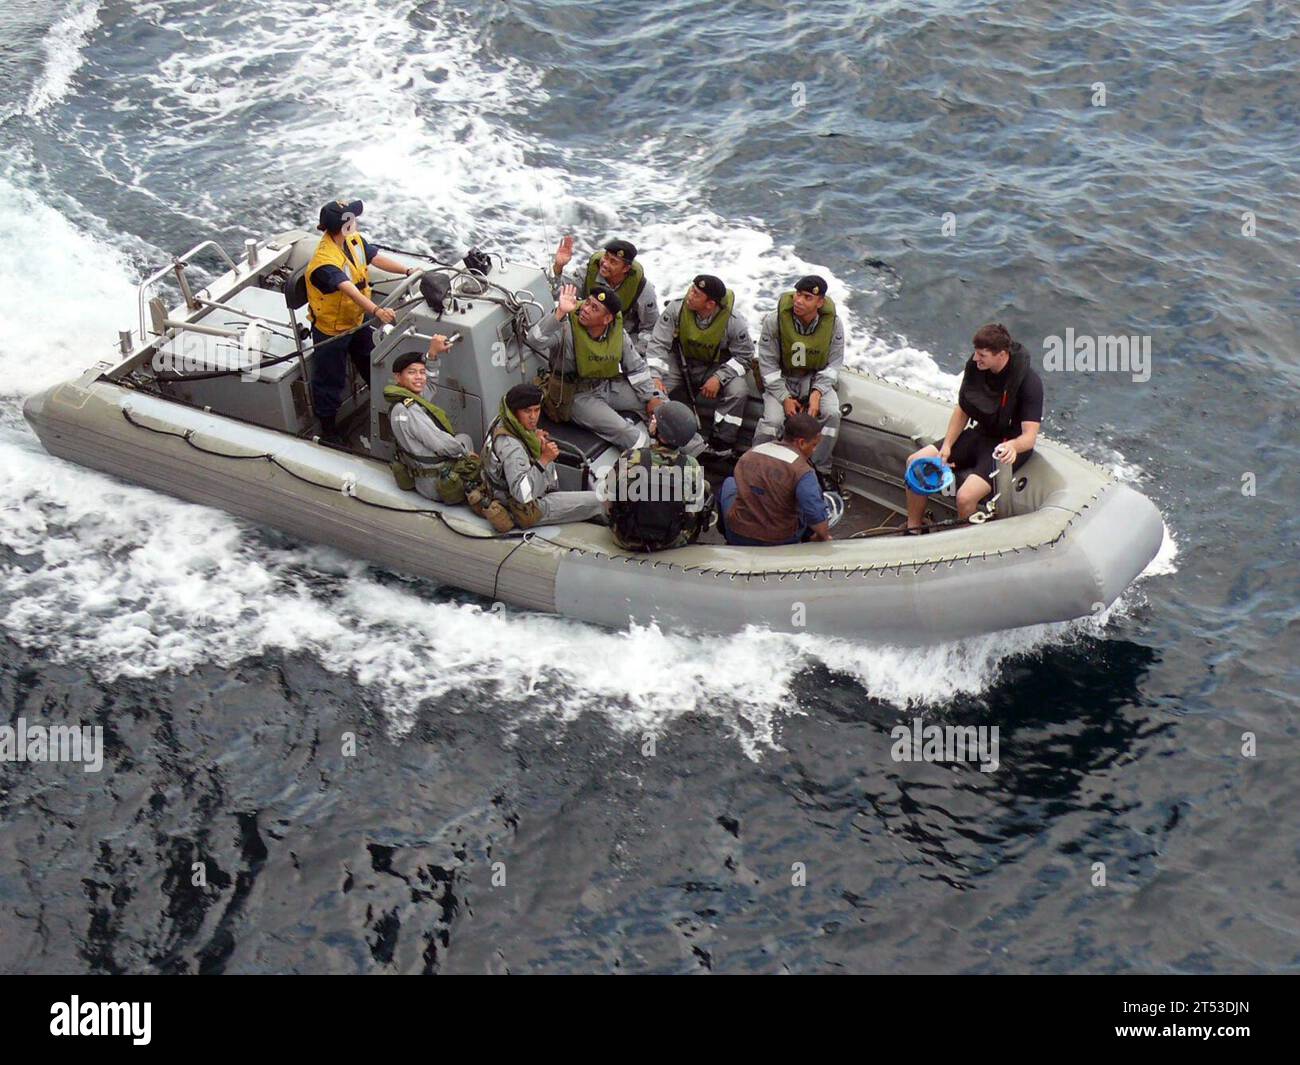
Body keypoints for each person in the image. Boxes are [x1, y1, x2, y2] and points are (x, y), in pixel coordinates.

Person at [904, 323, 1043, 530]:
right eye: (975, 353)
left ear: (1001, 355)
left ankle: (965, 548)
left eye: (982, 355)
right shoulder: (976, 367)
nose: (976, 359)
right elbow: (963, 409)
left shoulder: (1029, 383)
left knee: (965, 497)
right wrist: (948, 445)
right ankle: (913, 527)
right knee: (915, 461)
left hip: (1005, 446)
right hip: (980, 434)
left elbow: (1029, 437)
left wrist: (1013, 447)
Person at [306, 198, 415, 443]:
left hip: (355, 320)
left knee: (372, 363)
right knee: (329, 381)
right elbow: (348, 289)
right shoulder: (324, 261)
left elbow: (375, 257)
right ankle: (329, 430)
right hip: (332, 331)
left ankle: (387, 409)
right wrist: (377, 311)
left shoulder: (354, 240)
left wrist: (407, 271)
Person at [528, 282, 665, 450]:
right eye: (587, 302)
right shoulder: (565, 326)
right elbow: (534, 340)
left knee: (661, 404)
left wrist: (651, 397)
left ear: (607, 319)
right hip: (576, 395)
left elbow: (636, 368)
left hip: (606, 386)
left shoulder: (617, 334)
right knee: (623, 430)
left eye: (594, 308)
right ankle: (655, 456)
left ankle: (691, 449)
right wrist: (560, 313)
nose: (585, 309)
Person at [644, 274, 753, 460]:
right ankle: (662, 436)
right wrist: (655, 377)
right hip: (679, 364)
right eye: (691, 289)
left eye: (696, 293)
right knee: (651, 390)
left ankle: (721, 444)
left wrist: (719, 378)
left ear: (710, 304)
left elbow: (745, 356)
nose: (690, 294)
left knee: (738, 390)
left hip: (713, 368)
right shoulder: (676, 309)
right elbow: (658, 345)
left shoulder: (734, 322)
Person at [752, 274, 844, 476]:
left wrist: (817, 393)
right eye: (797, 295)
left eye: (807, 298)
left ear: (820, 302)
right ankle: (756, 466)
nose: (799, 301)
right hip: (782, 379)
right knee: (773, 422)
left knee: (832, 414)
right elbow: (767, 365)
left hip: (813, 379)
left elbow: (834, 364)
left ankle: (818, 468)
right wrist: (785, 398)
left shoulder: (834, 325)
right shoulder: (774, 321)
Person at [479, 383, 604, 529]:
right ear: (515, 411)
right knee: (599, 500)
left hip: (499, 491)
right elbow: (522, 494)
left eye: (537, 410)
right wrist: (544, 459)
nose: (533, 417)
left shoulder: (501, 421)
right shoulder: (512, 448)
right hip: (525, 508)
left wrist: (532, 438)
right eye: (527, 411)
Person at [603, 401, 710, 552]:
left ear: (661, 432)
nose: (652, 420)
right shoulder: (692, 465)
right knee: (702, 486)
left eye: (656, 420)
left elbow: (608, 496)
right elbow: (694, 509)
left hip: (625, 538)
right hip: (671, 542)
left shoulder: (632, 456)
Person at [383, 342, 478, 503]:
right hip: (436, 484)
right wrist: (467, 455)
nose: (419, 377)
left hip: (421, 474)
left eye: (422, 372)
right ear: (398, 377)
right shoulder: (409, 410)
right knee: (464, 445)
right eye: (412, 373)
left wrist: (432, 355)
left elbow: (431, 385)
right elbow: (440, 444)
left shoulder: (404, 400)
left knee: (463, 438)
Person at [719, 413, 832, 546]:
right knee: (809, 501)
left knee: (729, 483)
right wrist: (822, 536)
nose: (814, 450)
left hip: (737, 535)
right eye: (813, 445)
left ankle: (725, 532)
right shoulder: (803, 471)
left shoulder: (752, 452)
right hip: (781, 540)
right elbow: (815, 513)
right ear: (801, 442)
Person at [550, 236, 658, 352]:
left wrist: (632, 354)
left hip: (622, 342)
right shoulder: (589, 272)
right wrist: (558, 267)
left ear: (626, 268)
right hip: (586, 332)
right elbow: (557, 294)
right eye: (606, 256)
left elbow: (651, 329)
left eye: (613, 262)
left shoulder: (642, 289)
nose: (605, 263)